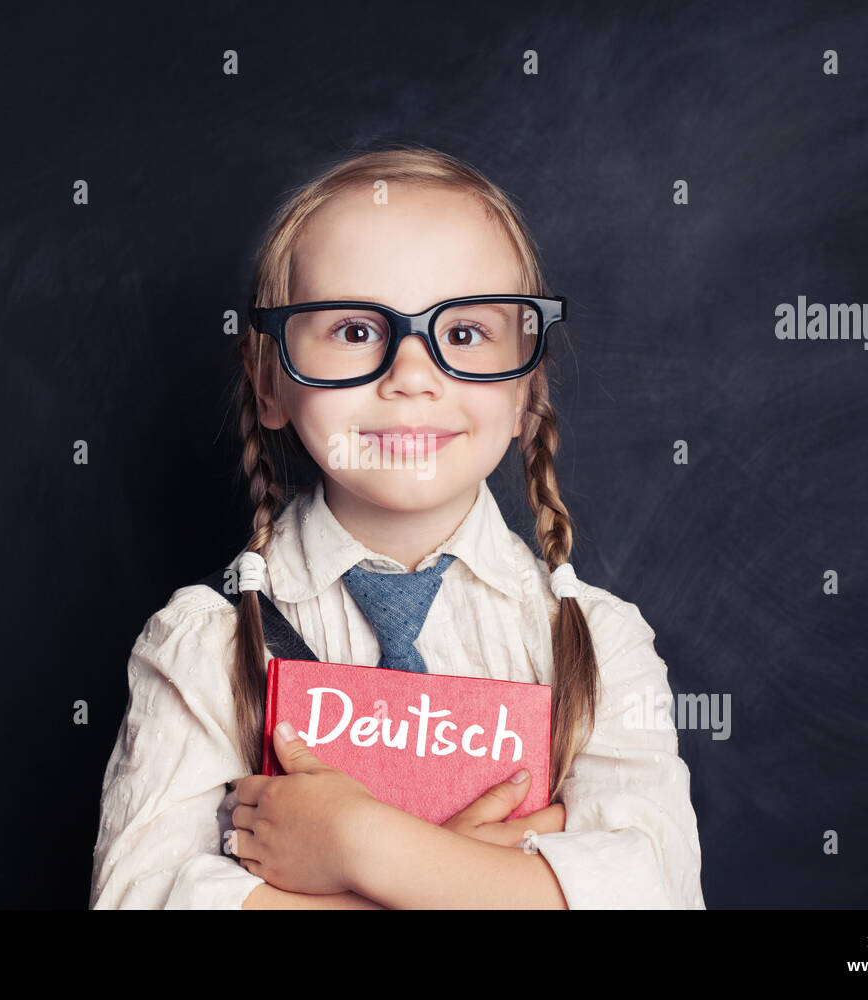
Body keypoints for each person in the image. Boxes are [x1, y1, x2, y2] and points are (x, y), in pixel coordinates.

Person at [89, 143, 706, 909]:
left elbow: (653, 899)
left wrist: (357, 842)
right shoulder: (202, 651)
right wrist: (473, 880)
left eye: (465, 334)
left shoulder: (597, 648)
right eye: (354, 331)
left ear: (525, 388)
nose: (412, 375)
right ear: (270, 380)